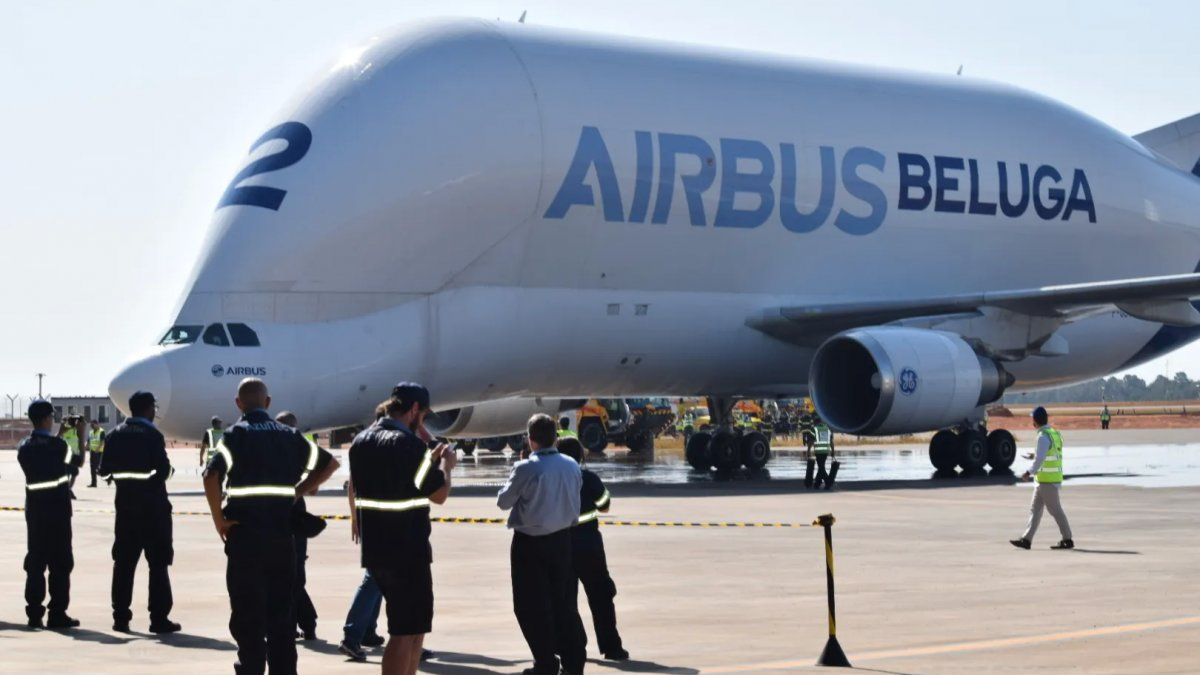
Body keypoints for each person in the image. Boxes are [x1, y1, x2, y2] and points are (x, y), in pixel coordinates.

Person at [203, 378, 339, 675]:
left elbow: (211, 477)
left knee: (247, 614)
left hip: (245, 539)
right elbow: (329, 464)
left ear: (238, 404)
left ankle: (251, 668)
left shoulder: (234, 435)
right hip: (281, 539)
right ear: (268, 403)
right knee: (282, 616)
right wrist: (298, 492)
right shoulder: (289, 435)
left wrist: (219, 522)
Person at [349, 383, 456, 675]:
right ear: (413, 411)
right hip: (407, 549)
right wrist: (447, 465)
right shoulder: (409, 446)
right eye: (422, 416)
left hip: (376, 548)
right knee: (406, 631)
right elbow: (439, 494)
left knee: (411, 626)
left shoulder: (361, 441)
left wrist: (425, 457)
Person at [497, 414, 587, 675]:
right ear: (556, 438)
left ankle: (545, 661)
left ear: (530, 438)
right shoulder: (571, 465)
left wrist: (519, 468)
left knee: (529, 605)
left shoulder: (527, 468)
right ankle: (573, 661)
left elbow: (504, 502)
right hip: (562, 541)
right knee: (564, 604)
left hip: (530, 544)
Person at [99, 390, 180, 633]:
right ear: (148, 409)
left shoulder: (114, 435)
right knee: (158, 564)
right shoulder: (153, 435)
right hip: (153, 509)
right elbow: (163, 470)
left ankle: (120, 617)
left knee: (123, 564)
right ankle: (158, 618)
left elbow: (103, 471)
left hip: (125, 509)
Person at [556, 437, 629, 661]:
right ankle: (611, 647)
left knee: (565, 600)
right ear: (580, 456)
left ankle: (571, 646)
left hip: (561, 545)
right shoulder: (588, 478)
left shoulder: (553, 479)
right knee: (601, 596)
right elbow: (605, 505)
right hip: (589, 545)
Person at [19, 399, 80, 629]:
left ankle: (34, 613)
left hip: (35, 512)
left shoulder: (24, 447)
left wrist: (59, 435)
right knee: (60, 564)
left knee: (35, 562)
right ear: (46, 419)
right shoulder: (59, 446)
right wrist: (79, 435)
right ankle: (57, 613)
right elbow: (75, 463)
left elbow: (43, 452)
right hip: (58, 512)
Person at [274, 411, 326, 642]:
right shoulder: (304, 448)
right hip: (295, 509)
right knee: (293, 573)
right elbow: (314, 488)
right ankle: (303, 622)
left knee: (289, 574)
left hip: (284, 510)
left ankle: (303, 621)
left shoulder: (276, 447)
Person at [1011, 407, 1075, 550]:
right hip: (1044, 480)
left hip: (1047, 481)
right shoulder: (1054, 433)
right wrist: (1034, 456)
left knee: (1055, 511)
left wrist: (1028, 472)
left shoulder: (1042, 436)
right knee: (1035, 510)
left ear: (1035, 421)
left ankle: (1067, 539)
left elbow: (1040, 459)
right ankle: (1026, 540)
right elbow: (1048, 453)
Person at [59, 414, 85, 497]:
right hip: (67, 455)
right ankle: (66, 490)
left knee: (74, 473)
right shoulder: (66, 430)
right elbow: (60, 434)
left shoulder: (77, 429)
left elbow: (84, 424)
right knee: (66, 474)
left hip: (75, 455)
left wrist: (80, 420)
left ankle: (68, 489)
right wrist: (67, 425)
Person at [810, 420, 836, 489]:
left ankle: (828, 482)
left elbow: (811, 441)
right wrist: (833, 451)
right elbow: (831, 442)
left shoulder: (814, 429)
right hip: (826, 451)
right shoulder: (828, 429)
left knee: (821, 468)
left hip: (818, 451)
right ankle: (817, 483)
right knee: (821, 466)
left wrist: (808, 450)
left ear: (816, 422)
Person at [87, 419, 106, 488]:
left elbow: (102, 441)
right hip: (92, 452)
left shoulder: (101, 431)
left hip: (99, 452)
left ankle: (107, 477)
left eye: (93, 424)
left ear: (97, 424)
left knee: (98, 468)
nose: (91, 426)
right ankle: (93, 483)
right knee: (92, 468)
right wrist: (86, 446)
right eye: (91, 425)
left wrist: (97, 449)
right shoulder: (91, 432)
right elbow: (89, 441)